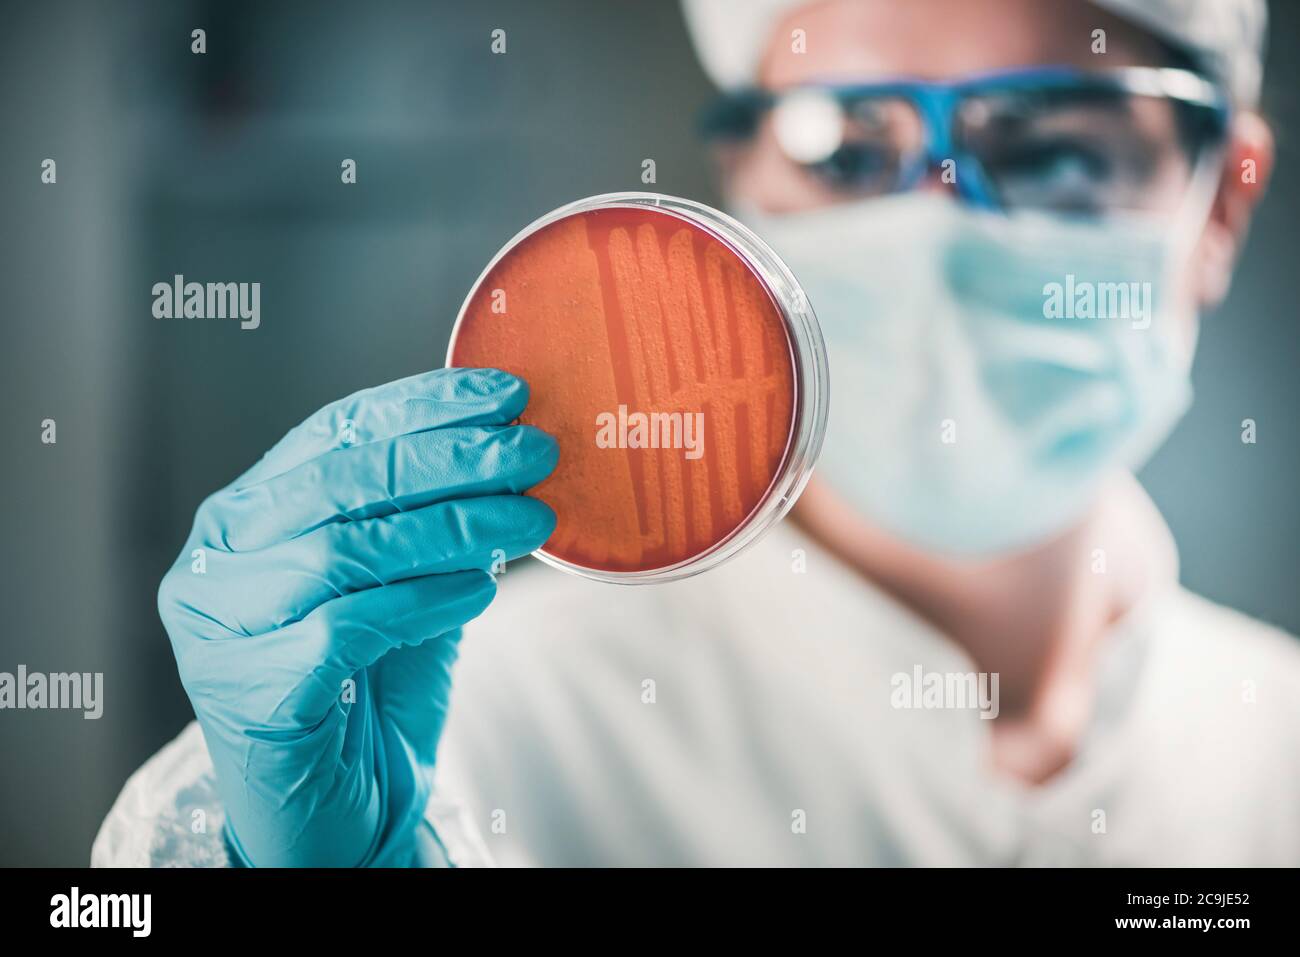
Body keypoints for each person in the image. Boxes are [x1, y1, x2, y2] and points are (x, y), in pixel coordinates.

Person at [94, 0, 1298, 867]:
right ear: (740, 189)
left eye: (1050, 152)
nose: (932, 228)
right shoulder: (483, 729)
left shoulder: (1274, 743)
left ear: (1223, 200)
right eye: (844, 148)